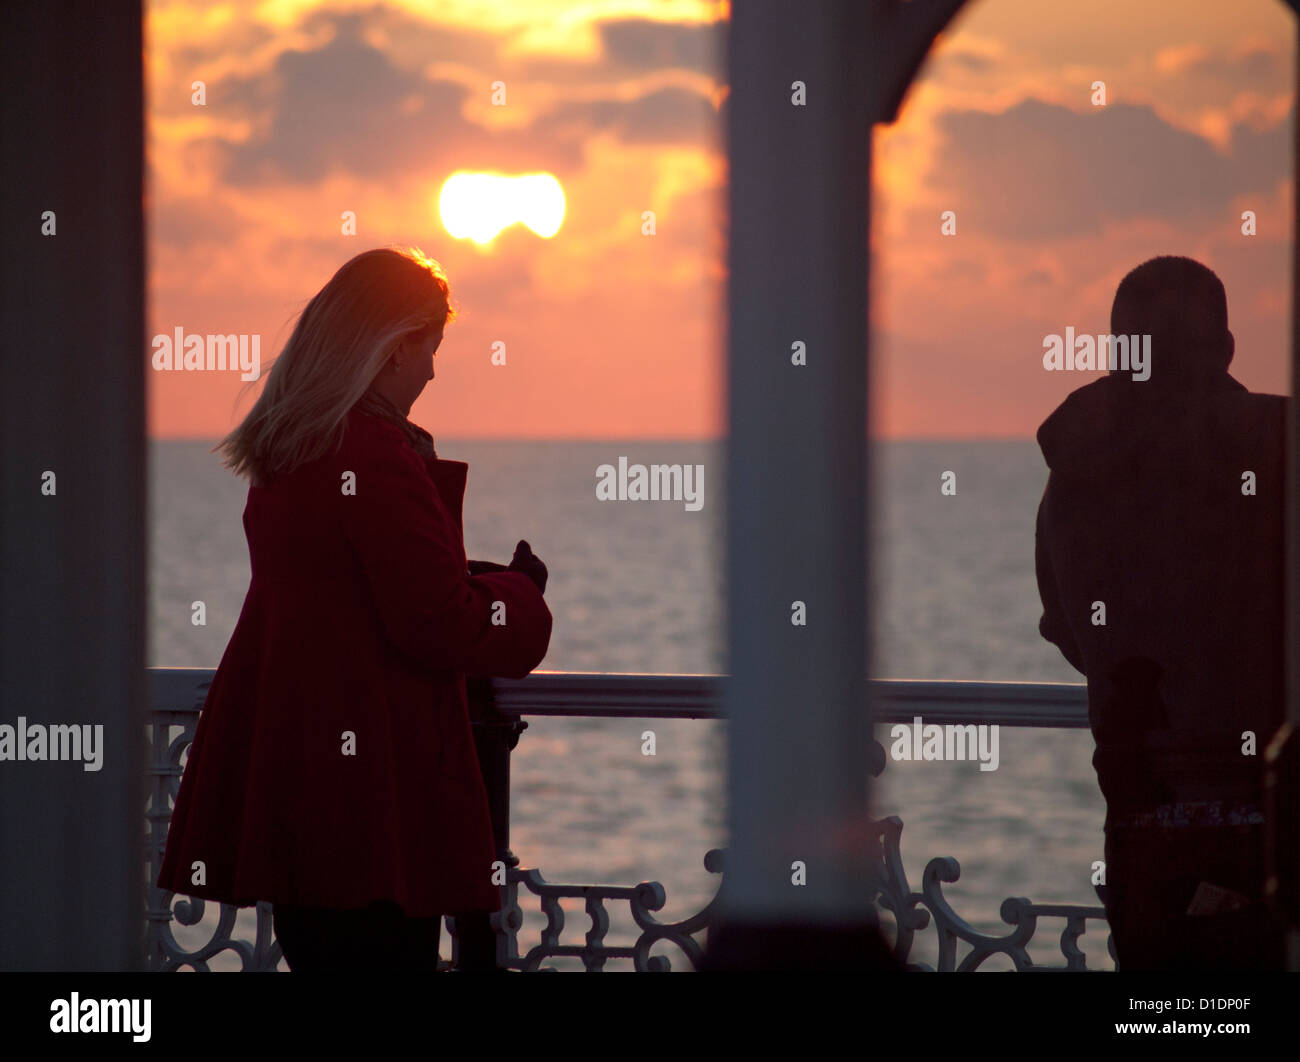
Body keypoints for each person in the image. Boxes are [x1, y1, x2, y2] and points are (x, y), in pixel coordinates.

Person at [156, 247, 553, 971]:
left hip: (300, 769)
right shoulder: (371, 454)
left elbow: (351, 586)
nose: (433, 371)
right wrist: (520, 597)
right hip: (374, 798)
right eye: (430, 348)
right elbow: (434, 620)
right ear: (393, 347)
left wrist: (471, 580)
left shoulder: (292, 448)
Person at [1034, 255, 1286, 970]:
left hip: (1140, 814)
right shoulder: (1277, 455)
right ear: (1229, 348)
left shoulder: (1076, 471)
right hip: (1269, 820)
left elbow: (1067, 628)